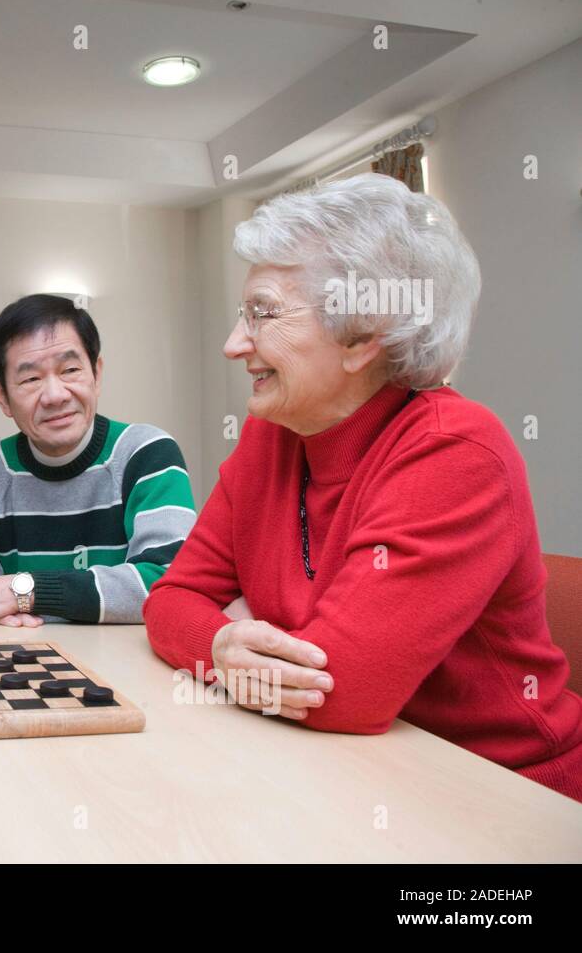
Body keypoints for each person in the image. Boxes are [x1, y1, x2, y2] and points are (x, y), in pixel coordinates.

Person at [144, 173, 582, 801]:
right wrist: (219, 647)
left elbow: (340, 690)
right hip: (348, 772)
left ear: (362, 335)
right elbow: (171, 599)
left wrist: (232, 650)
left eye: (263, 314)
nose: (233, 343)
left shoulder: (453, 451)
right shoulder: (273, 435)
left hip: (498, 795)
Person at [0, 294, 197, 626]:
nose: (55, 395)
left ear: (96, 374)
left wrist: (25, 592)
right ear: (1, 396)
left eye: (70, 370)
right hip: (22, 669)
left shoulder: (146, 453)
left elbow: (171, 585)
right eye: (31, 379)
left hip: (130, 668)